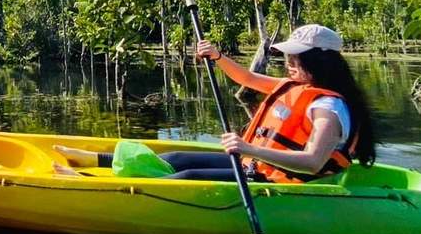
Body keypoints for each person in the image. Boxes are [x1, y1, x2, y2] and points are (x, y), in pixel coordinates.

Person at [54, 24, 376, 183]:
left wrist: (249, 149)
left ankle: (89, 185)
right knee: (176, 156)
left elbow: (312, 163)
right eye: (289, 56)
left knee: (188, 177)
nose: (288, 62)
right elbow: (248, 80)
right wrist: (218, 57)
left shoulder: (328, 109)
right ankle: (93, 159)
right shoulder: (296, 86)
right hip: (256, 168)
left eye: (296, 58)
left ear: (321, 62)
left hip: (279, 185)